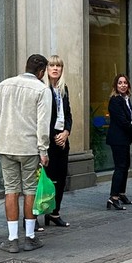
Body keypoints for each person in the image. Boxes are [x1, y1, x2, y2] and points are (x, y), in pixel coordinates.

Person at [0, 54, 50, 252]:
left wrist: (7, 119)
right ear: (40, 72)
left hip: (6, 144)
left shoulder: (5, 84)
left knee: (11, 190)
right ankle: (30, 237)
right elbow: (43, 124)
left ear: (25, 66)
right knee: (30, 189)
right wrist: (44, 150)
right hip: (29, 147)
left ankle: (12, 239)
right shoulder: (42, 89)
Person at [44, 55, 73, 228]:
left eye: (58, 66)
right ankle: (37, 214)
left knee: (61, 179)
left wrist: (66, 132)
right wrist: (55, 135)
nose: (55, 68)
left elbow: (68, 114)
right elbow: (41, 118)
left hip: (63, 139)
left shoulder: (64, 89)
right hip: (49, 140)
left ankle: (55, 213)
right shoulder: (43, 89)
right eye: (52, 65)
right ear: (46, 69)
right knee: (46, 180)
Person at [105, 73, 132, 210]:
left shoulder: (126, 99)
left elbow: (129, 120)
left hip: (124, 138)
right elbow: (123, 122)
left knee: (125, 167)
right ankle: (113, 198)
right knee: (120, 167)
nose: (123, 85)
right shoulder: (115, 100)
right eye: (120, 83)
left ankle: (121, 193)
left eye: (125, 83)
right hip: (117, 139)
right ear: (115, 85)